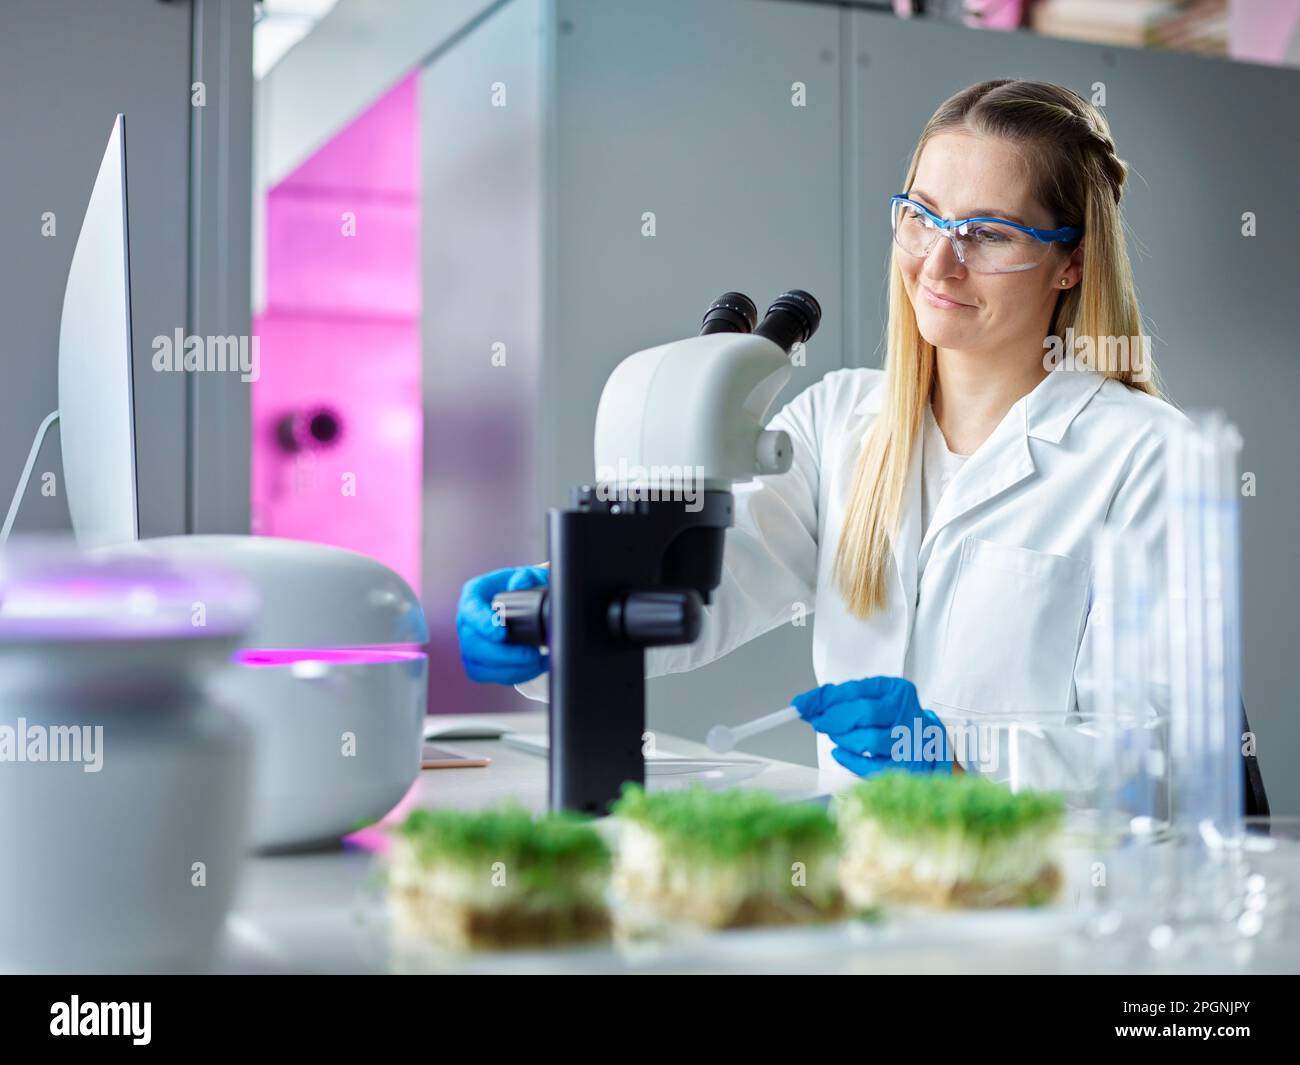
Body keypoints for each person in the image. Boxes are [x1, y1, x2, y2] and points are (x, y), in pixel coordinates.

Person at [456, 79, 1265, 808]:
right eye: (921, 216)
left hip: (1044, 907)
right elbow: (701, 599)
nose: (938, 263)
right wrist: (561, 614)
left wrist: (960, 757)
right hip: (873, 890)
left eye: (988, 234)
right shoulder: (839, 419)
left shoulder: (1141, 454)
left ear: (1070, 264)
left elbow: (1170, 757)